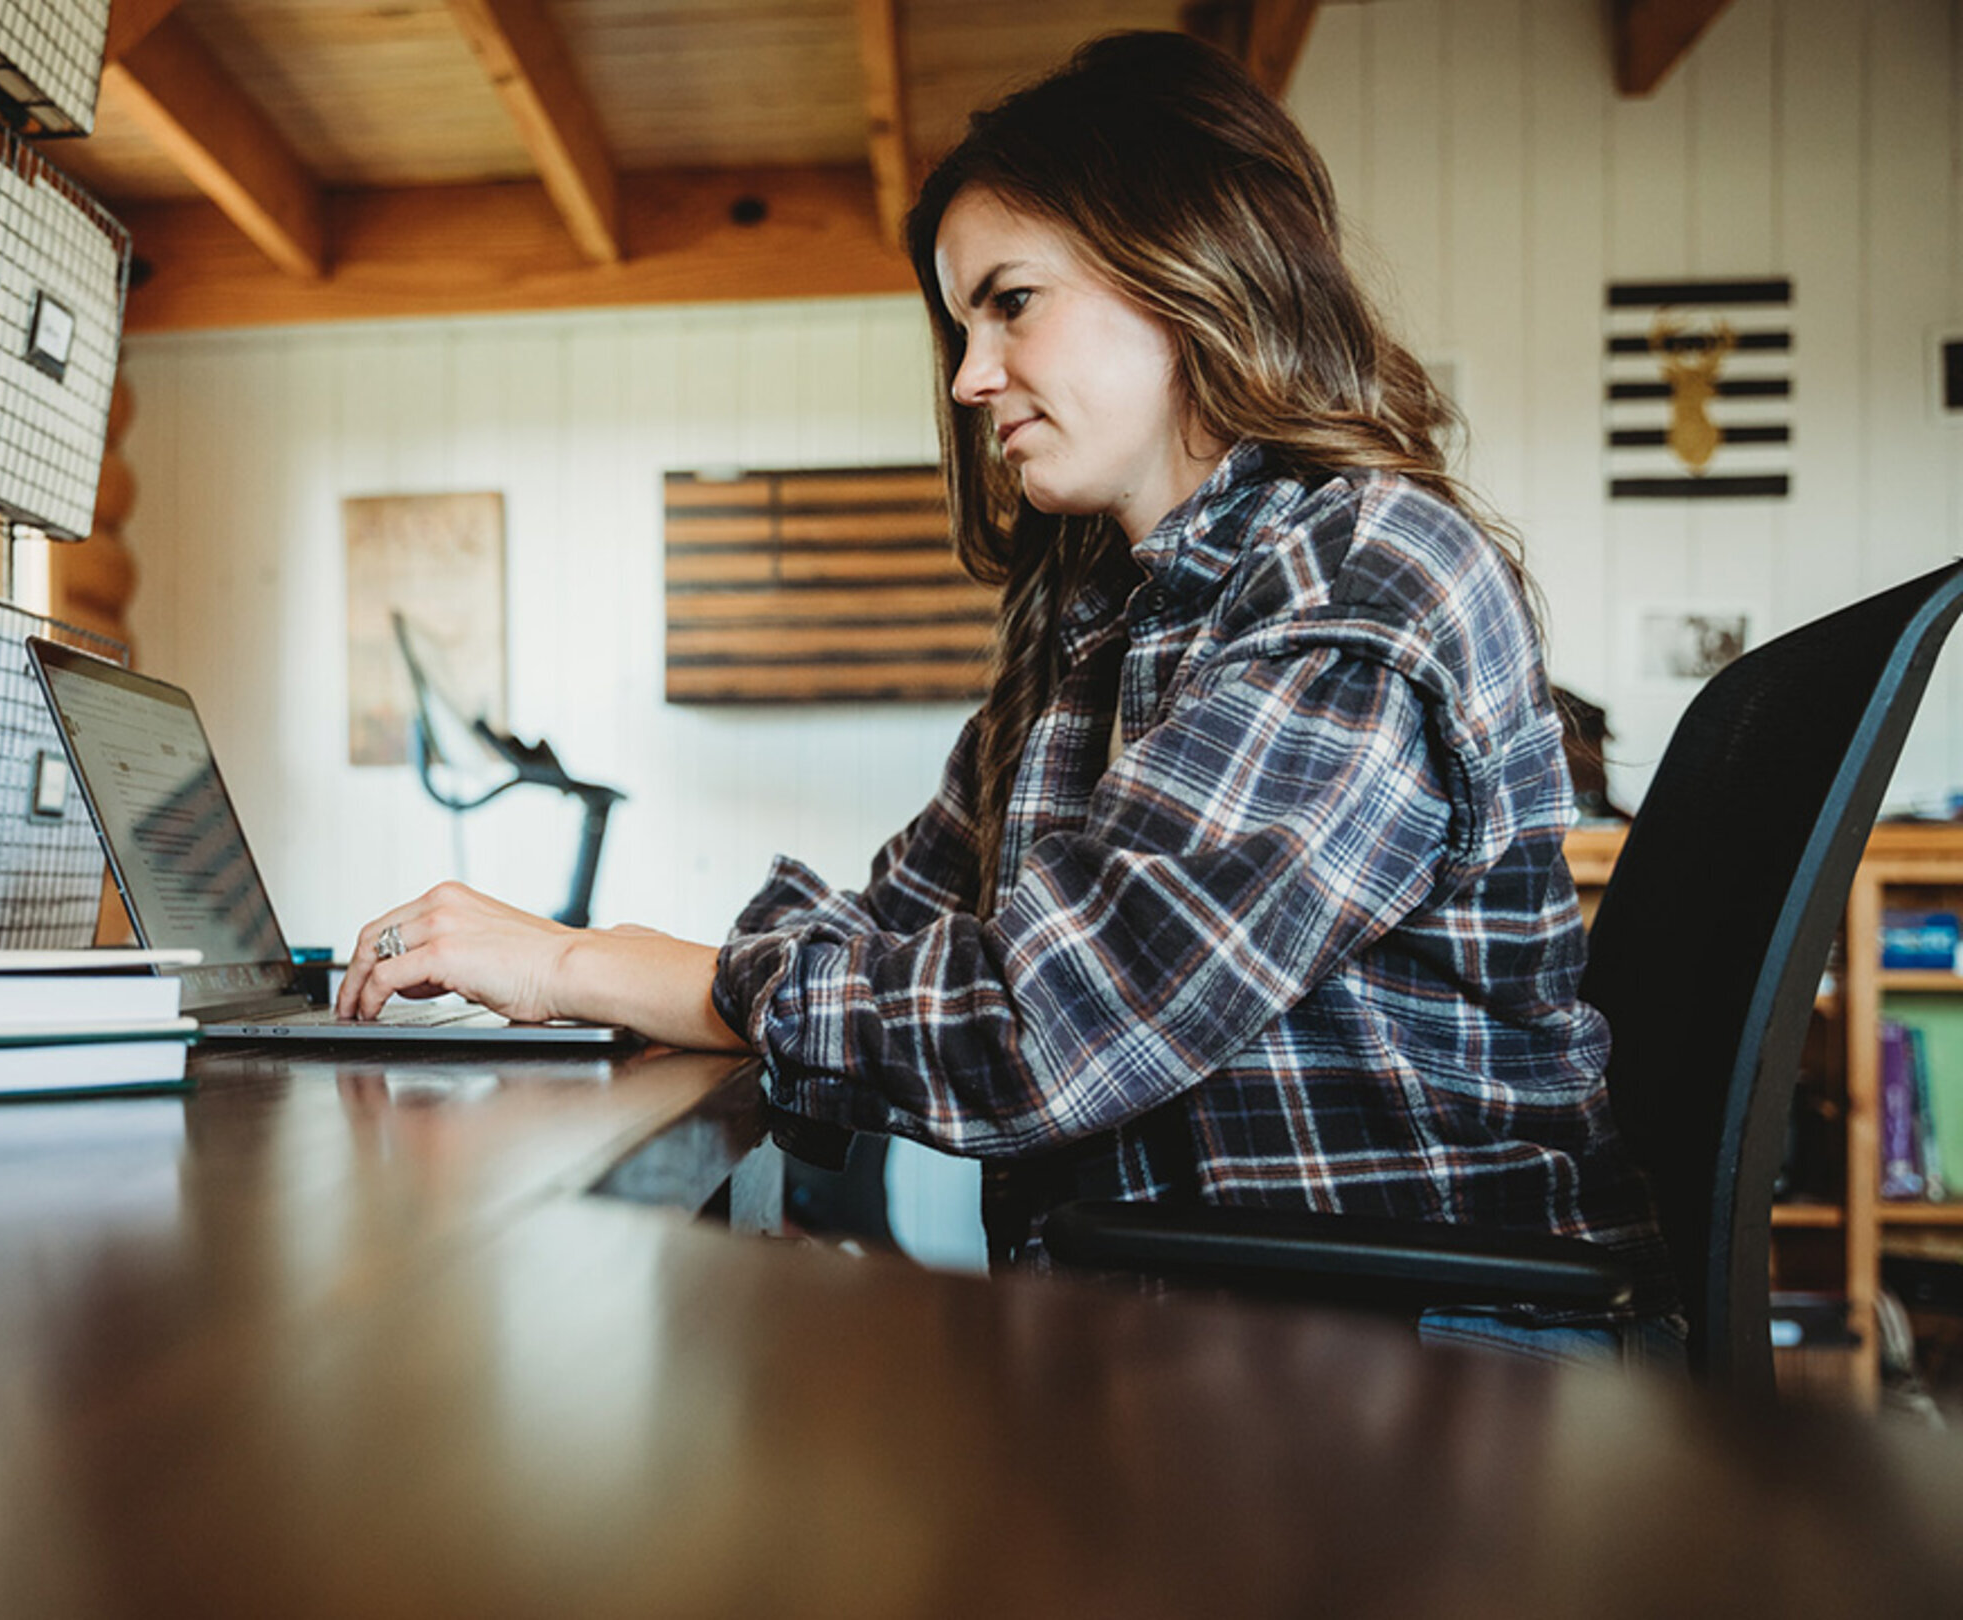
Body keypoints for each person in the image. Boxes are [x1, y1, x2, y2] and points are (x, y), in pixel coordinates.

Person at [336, 31, 1672, 1361]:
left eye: (1011, 301)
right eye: (964, 324)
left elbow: (1051, 1025)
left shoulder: (1361, 571)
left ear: (1192, 265)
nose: (972, 377)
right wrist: (616, 969)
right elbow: (895, 927)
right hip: (1211, 1342)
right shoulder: (1095, 636)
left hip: (1420, 1384)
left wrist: (588, 962)